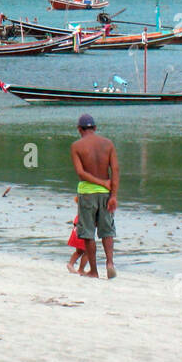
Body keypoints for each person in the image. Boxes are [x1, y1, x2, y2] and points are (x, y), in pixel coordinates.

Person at [69, 113, 119, 279]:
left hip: (87, 193)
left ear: (79, 129)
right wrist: (113, 195)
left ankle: (94, 271)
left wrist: (99, 182)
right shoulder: (108, 144)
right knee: (107, 231)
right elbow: (116, 170)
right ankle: (110, 263)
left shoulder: (76, 146)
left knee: (88, 233)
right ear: (95, 128)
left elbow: (80, 173)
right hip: (106, 194)